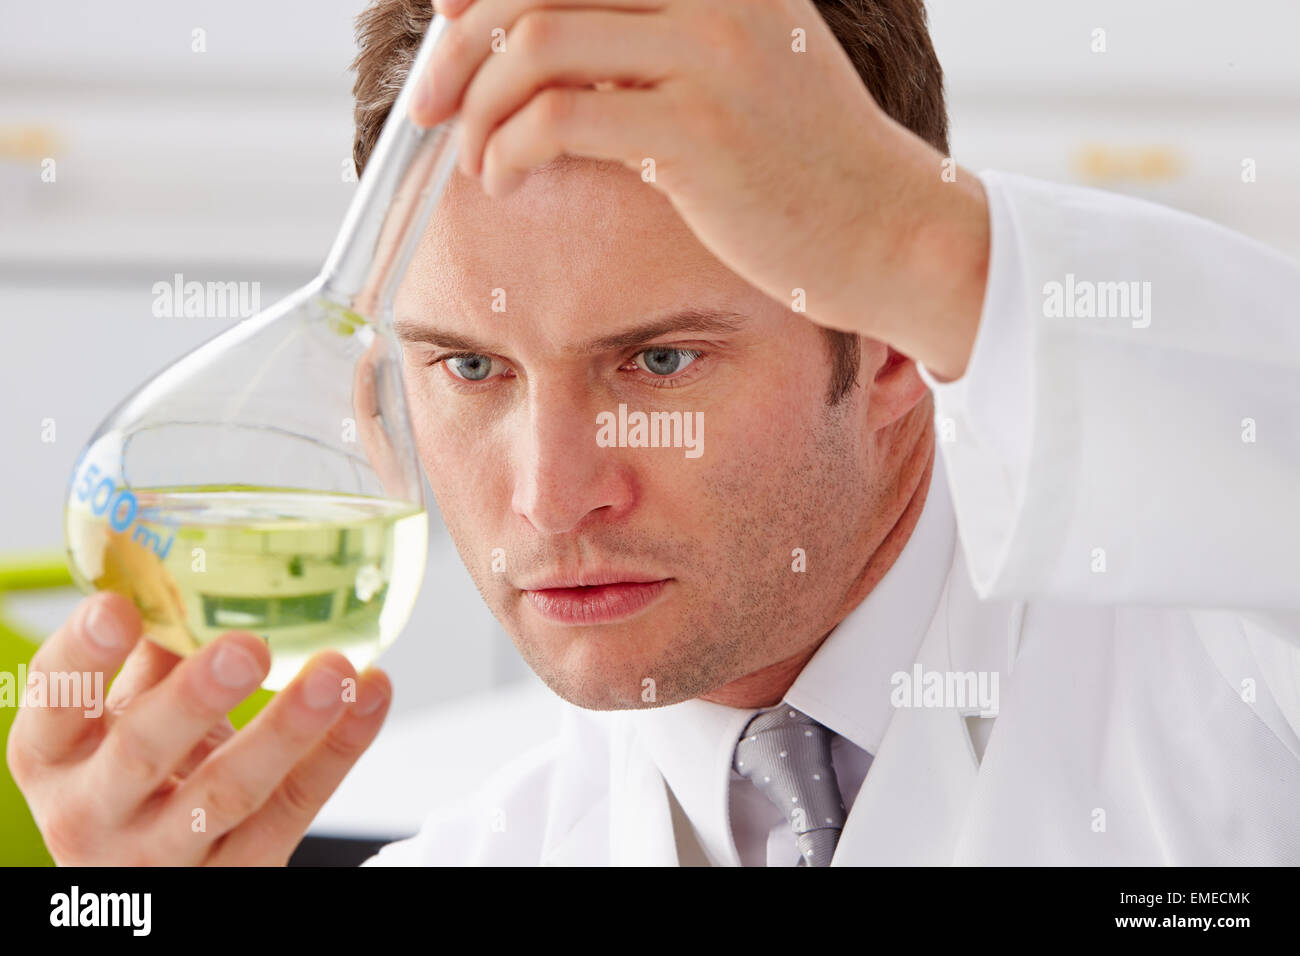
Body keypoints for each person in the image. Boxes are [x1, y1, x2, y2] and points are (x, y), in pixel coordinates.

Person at [9, 0, 1300, 866]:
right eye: (470, 365)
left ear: (898, 338)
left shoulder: (1235, 676)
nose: (551, 497)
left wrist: (920, 236)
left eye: (661, 359)